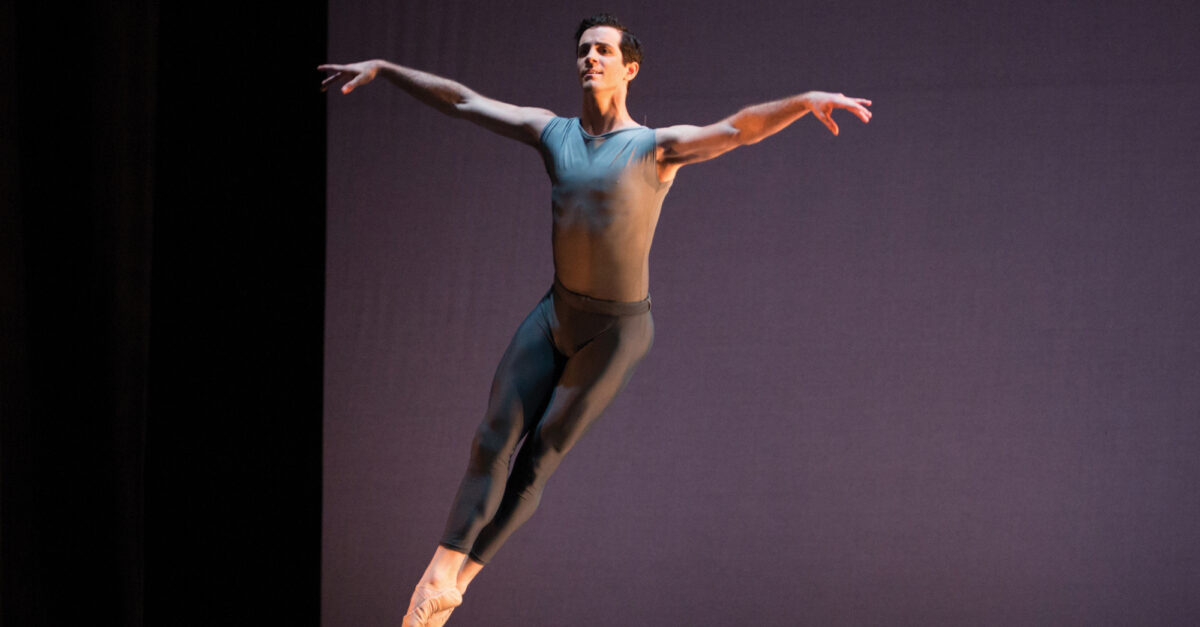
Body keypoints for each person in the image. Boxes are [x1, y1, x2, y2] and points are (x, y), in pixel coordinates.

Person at [320, 13, 872, 627]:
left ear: (629, 68)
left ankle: (458, 583)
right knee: (490, 440)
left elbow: (739, 129)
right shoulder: (551, 132)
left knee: (538, 459)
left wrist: (807, 101)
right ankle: (436, 575)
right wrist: (388, 69)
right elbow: (465, 101)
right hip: (555, 313)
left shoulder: (657, 147)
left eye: (605, 51)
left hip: (616, 333)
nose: (591, 59)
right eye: (584, 50)